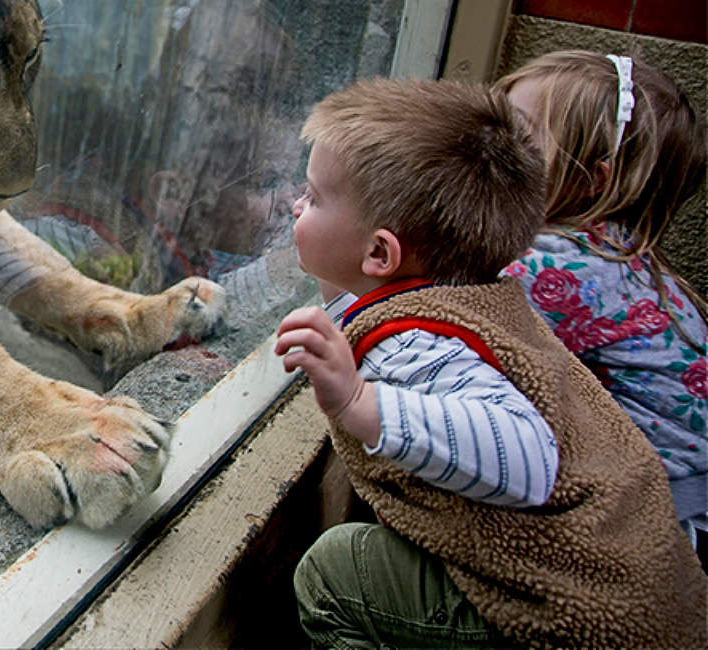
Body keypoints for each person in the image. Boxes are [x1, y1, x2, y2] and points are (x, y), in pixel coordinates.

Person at [274, 77, 707, 649]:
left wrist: (360, 402)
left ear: (380, 252)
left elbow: (527, 458)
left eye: (313, 196)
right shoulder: (470, 289)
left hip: (586, 618)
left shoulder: (419, 341)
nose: (295, 204)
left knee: (335, 573)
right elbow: (361, 294)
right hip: (653, 580)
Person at [495, 50, 708, 553]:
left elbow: (431, 307)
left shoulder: (561, 269)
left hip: (662, 532)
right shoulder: (616, 254)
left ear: (592, 180)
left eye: (518, 133)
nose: (486, 142)